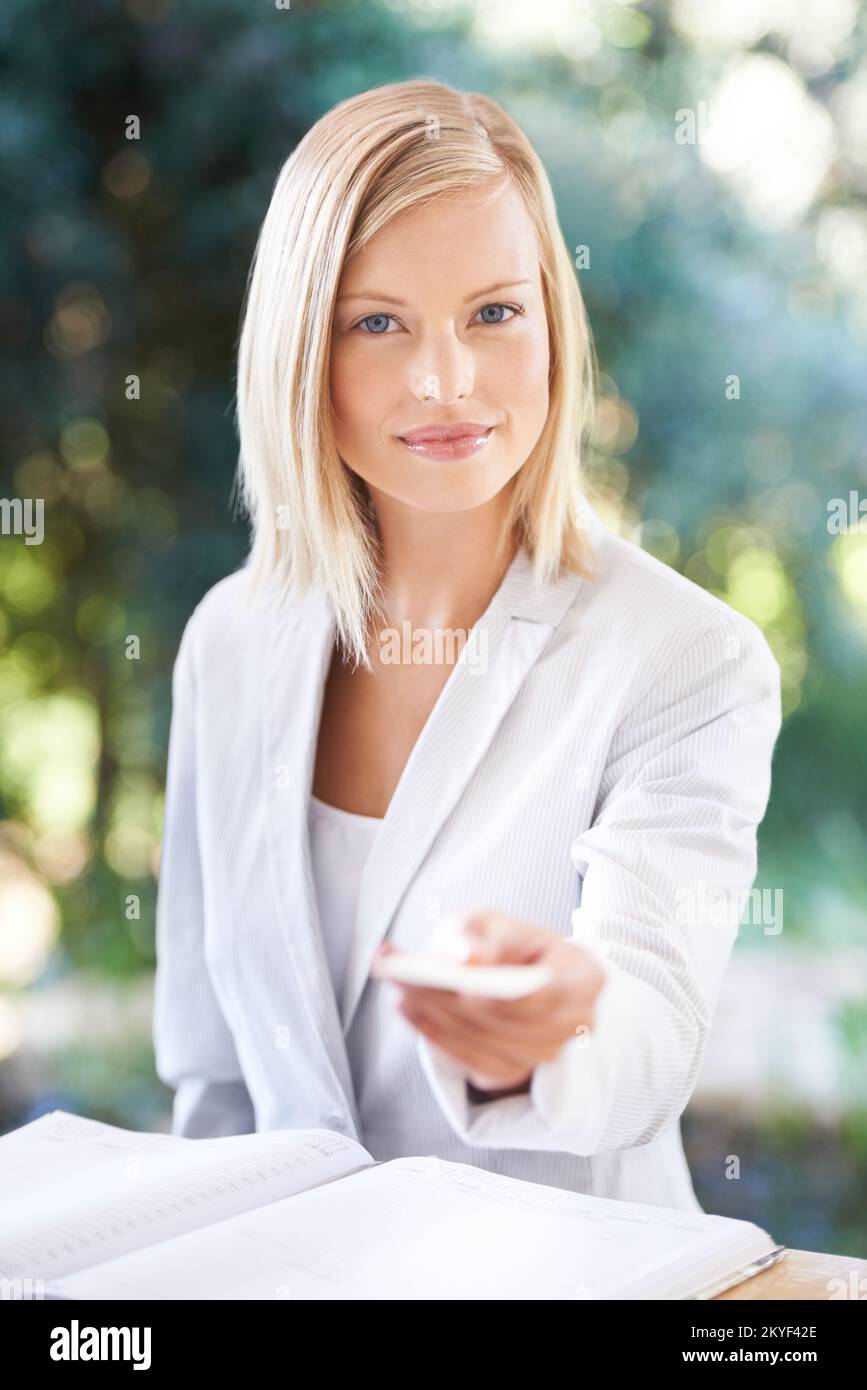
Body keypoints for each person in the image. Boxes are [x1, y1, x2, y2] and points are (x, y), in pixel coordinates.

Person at [153, 79, 782, 1212]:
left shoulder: (690, 662)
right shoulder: (229, 642)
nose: (446, 379)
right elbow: (211, 1073)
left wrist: (540, 1036)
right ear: (304, 347)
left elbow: (645, 1034)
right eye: (378, 322)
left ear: (551, 320)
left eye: (493, 312)